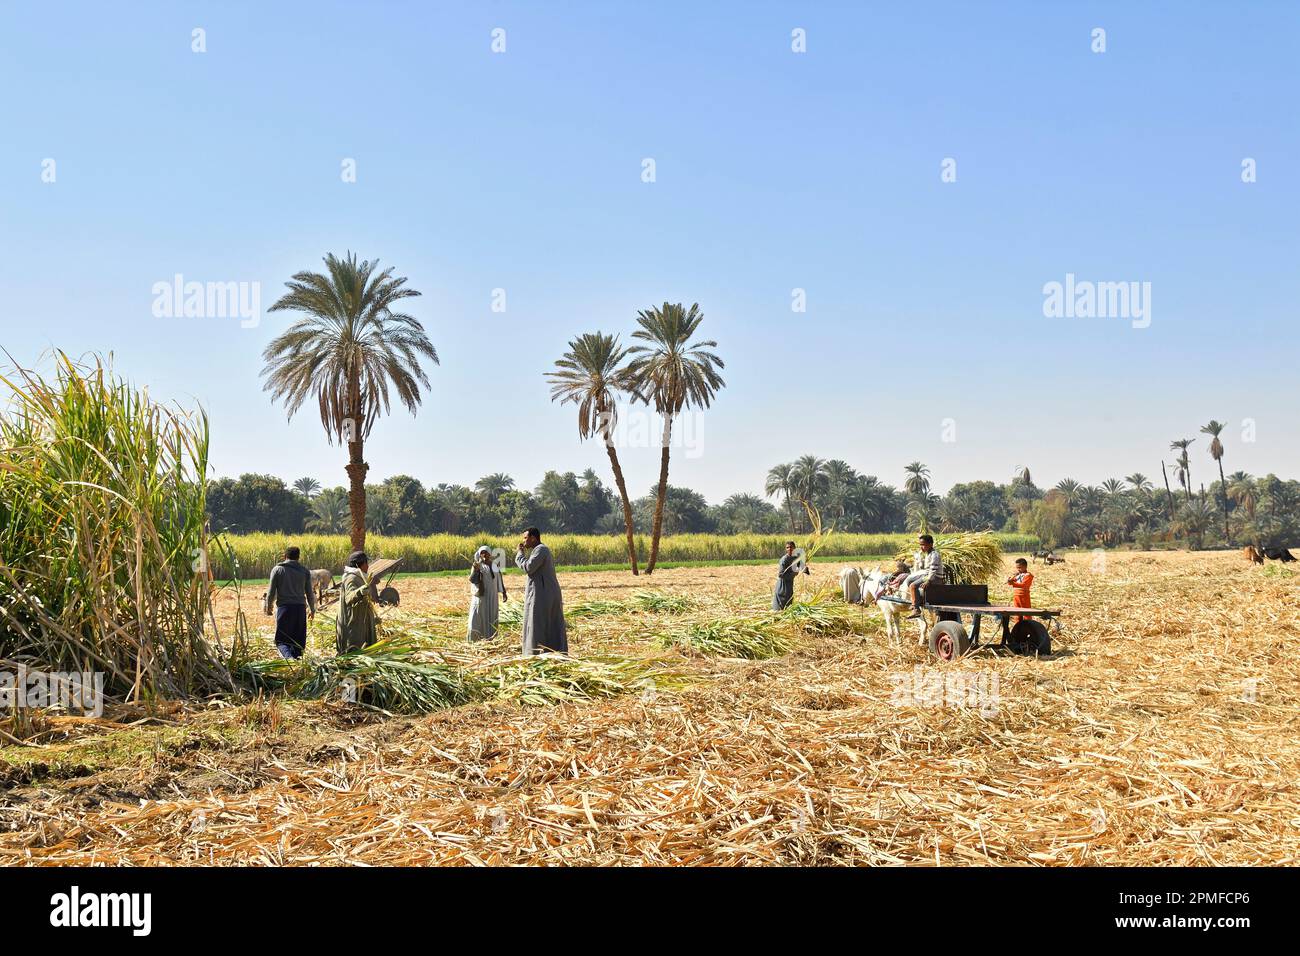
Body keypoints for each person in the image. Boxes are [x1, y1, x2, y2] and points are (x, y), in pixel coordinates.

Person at [515, 528, 567, 654]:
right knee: (541, 621)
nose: (524, 541)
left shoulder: (541, 550)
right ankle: (544, 652)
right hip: (542, 593)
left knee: (539, 622)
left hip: (544, 594)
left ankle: (540, 652)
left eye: (525, 538)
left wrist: (519, 554)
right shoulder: (537, 550)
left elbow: (529, 567)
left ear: (533, 538)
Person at [264, 546, 315, 659]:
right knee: (298, 642)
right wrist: (312, 609)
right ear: (298, 557)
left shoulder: (277, 570)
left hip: (285, 609)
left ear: (285, 556)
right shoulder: (304, 571)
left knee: (282, 641)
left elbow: (271, 592)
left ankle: (290, 660)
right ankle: (297, 662)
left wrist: (268, 607)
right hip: (301, 609)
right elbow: (310, 593)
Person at [336, 550, 377, 654]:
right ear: (360, 564)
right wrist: (360, 591)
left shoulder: (360, 576)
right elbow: (349, 598)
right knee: (354, 649)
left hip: (361, 619)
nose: (368, 566)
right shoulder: (351, 578)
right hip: (354, 622)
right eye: (366, 563)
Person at [468, 545, 508, 641]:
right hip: (482, 596)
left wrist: (504, 592)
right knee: (479, 615)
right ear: (479, 554)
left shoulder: (495, 566)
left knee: (492, 614)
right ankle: (476, 638)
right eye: (482, 552)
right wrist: (476, 570)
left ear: (490, 554)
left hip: (492, 596)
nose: (484, 554)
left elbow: (499, 579)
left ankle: (490, 637)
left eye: (486, 552)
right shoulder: (477, 565)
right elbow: (472, 579)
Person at [904, 534, 944, 620]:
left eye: (923, 545)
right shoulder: (927, 554)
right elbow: (924, 567)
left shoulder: (934, 555)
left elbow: (933, 570)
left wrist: (928, 581)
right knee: (909, 580)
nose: (922, 547)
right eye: (920, 545)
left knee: (913, 586)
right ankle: (918, 599)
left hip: (935, 578)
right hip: (928, 575)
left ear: (930, 544)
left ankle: (916, 609)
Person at [772, 540, 809, 611]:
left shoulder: (796, 558)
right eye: (787, 547)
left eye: (791, 547)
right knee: (779, 608)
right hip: (782, 586)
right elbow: (781, 575)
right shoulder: (784, 560)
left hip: (789, 586)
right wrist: (794, 573)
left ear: (794, 548)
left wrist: (805, 568)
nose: (789, 549)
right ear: (786, 549)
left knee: (788, 604)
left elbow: (803, 568)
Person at [1007, 558, 1034, 624]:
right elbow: (1011, 582)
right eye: (1017, 568)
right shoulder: (1017, 575)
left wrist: (1013, 583)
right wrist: (1010, 580)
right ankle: (1017, 627)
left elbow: (1024, 585)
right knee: (1017, 613)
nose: (1018, 569)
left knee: (1026, 612)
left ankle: (1028, 626)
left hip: (1023, 596)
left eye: (1020, 567)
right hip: (1016, 596)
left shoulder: (1028, 575)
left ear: (1025, 566)